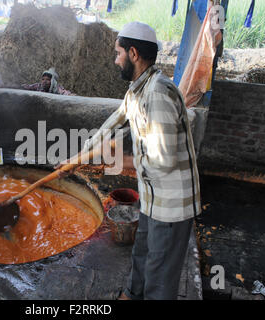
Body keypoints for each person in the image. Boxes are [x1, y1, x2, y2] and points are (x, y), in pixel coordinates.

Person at [58, 22, 201, 300]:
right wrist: (77, 158)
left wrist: (119, 160)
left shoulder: (158, 93)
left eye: (118, 53)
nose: (115, 60)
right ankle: (132, 295)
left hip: (171, 205)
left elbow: (163, 161)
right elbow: (112, 124)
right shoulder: (138, 89)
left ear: (133, 53)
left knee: (160, 273)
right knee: (142, 251)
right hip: (151, 198)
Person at [0, 67, 74, 95]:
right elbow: (25, 87)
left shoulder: (57, 88)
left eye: (47, 80)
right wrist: (7, 86)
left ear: (53, 81)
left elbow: (64, 92)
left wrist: (71, 95)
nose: (44, 81)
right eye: (43, 79)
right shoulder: (38, 86)